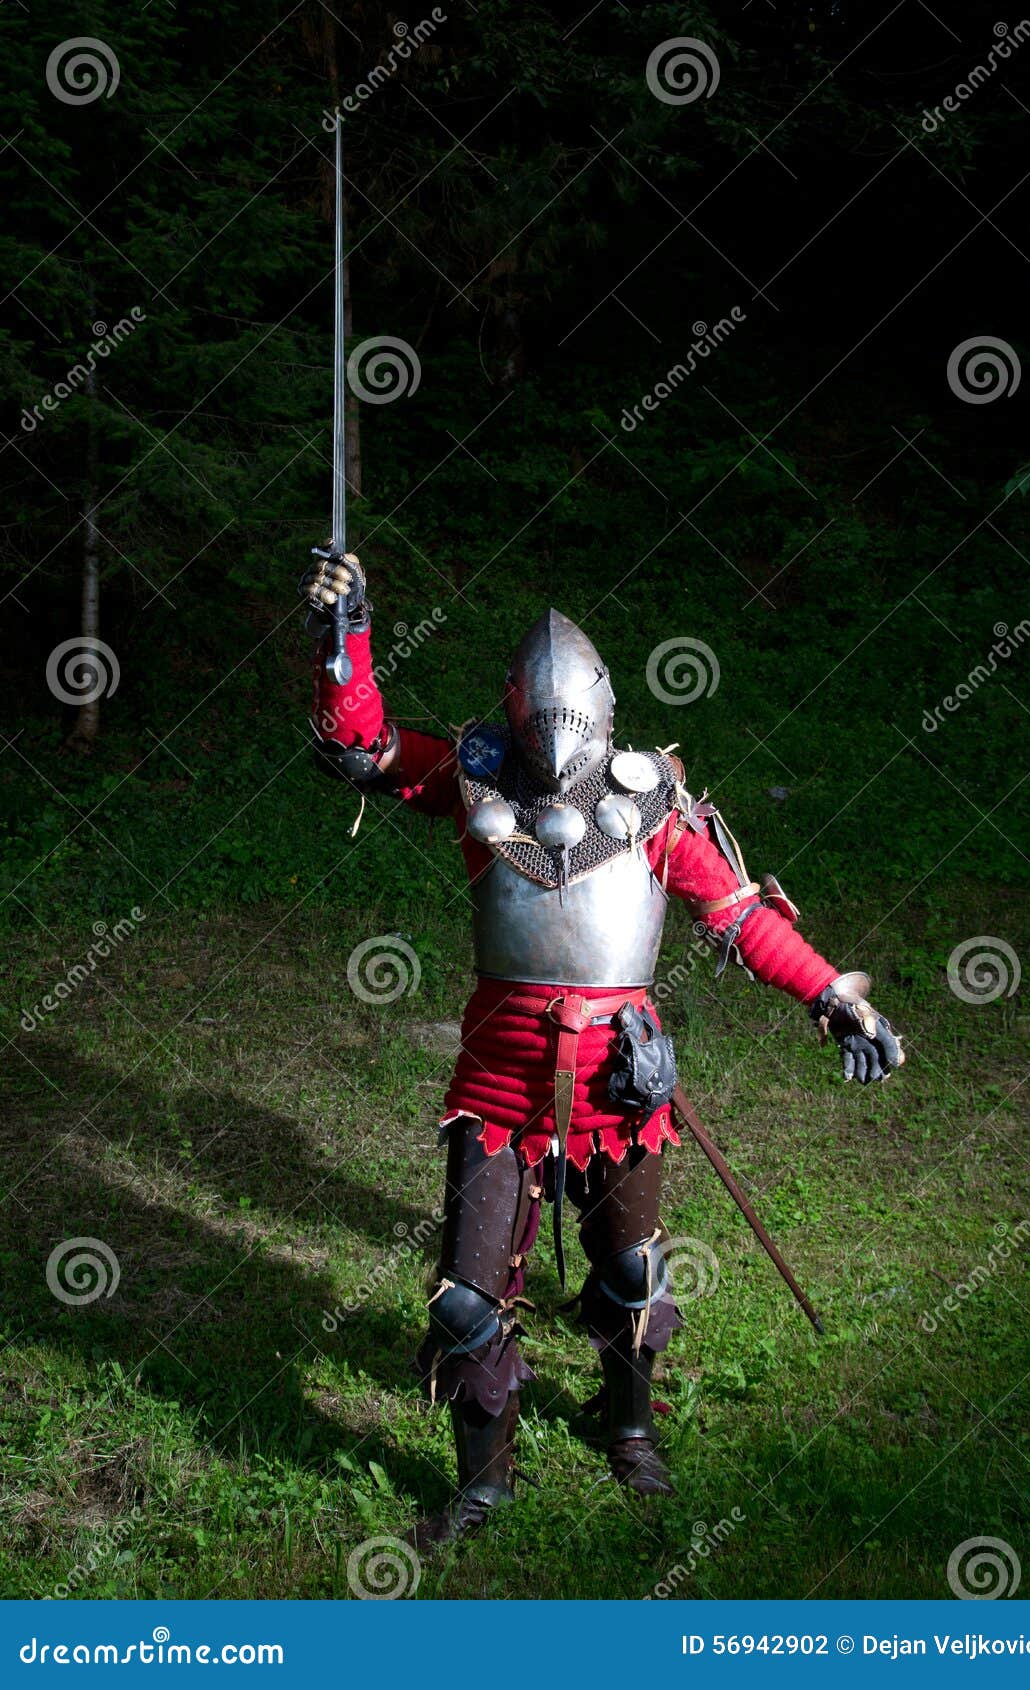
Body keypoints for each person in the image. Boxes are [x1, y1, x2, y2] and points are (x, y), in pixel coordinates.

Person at [302, 552, 904, 1548]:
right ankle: (484, 1481)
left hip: (621, 1075)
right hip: (497, 1077)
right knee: (462, 1296)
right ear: (507, 709)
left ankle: (625, 1426)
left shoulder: (654, 806)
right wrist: (343, 635)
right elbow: (359, 745)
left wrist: (830, 994)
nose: (552, 734)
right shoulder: (471, 778)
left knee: (632, 1269)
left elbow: (738, 916)